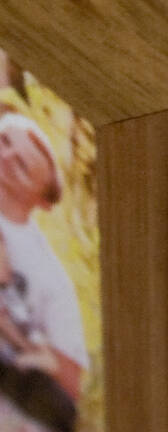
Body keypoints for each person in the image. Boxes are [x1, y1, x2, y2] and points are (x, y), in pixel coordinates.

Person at [0, 111, 86, 432]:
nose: (5, 157)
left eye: (21, 165)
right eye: (3, 141)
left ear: (41, 199)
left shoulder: (52, 278)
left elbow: (69, 389)